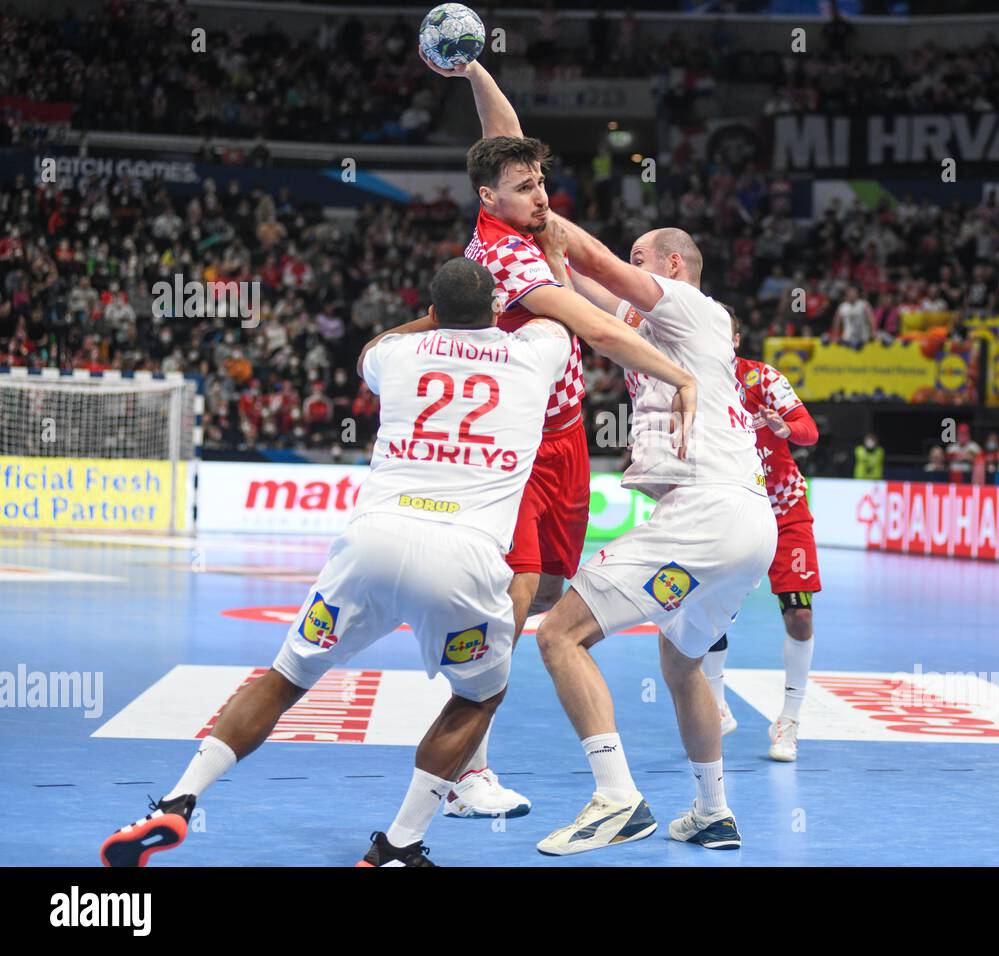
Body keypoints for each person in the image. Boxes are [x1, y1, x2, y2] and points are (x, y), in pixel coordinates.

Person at [100, 258, 686, 866]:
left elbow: (374, 347)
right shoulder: (538, 350)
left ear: (431, 313)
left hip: (371, 544)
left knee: (283, 679)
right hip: (462, 557)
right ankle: (399, 844)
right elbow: (567, 316)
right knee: (480, 696)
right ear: (494, 312)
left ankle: (177, 801)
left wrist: (430, 322)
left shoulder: (398, 357)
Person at [425, 55, 698, 818]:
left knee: (544, 590)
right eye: (525, 189)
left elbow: (503, 136)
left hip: (569, 439)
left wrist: (472, 68)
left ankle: (465, 712)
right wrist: (678, 377)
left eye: (543, 183)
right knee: (510, 609)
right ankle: (463, 773)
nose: (540, 195)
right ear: (490, 201)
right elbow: (597, 327)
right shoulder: (507, 257)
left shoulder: (503, 205)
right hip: (522, 451)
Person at [530, 215, 777, 855]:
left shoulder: (692, 306)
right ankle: (713, 811)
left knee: (560, 633)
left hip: (706, 513)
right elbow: (584, 284)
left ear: (670, 267)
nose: (627, 264)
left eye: (640, 255)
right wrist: (547, 252)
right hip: (745, 524)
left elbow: (599, 264)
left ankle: (616, 799)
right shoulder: (658, 327)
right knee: (680, 660)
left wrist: (535, 205)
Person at [697, 308, 822, 759]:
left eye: (724, 333)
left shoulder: (763, 378)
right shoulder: (691, 382)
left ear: (734, 338)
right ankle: (715, 707)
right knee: (710, 612)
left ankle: (789, 721)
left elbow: (809, 432)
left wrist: (785, 427)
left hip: (785, 509)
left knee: (800, 615)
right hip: (730, 510)